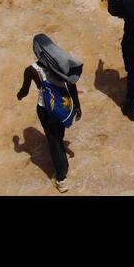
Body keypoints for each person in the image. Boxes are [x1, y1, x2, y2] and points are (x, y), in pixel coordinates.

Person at [17, 34, 83, 192]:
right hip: (63, 107)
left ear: (37, 52)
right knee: (58, 135)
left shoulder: (31, 70)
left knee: (54, 143)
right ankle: (59, 146)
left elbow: (24, 91)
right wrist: (77, 106)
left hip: (46, 110)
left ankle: (61, 178)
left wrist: (19, 95)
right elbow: (72, 85)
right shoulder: (60, 66)